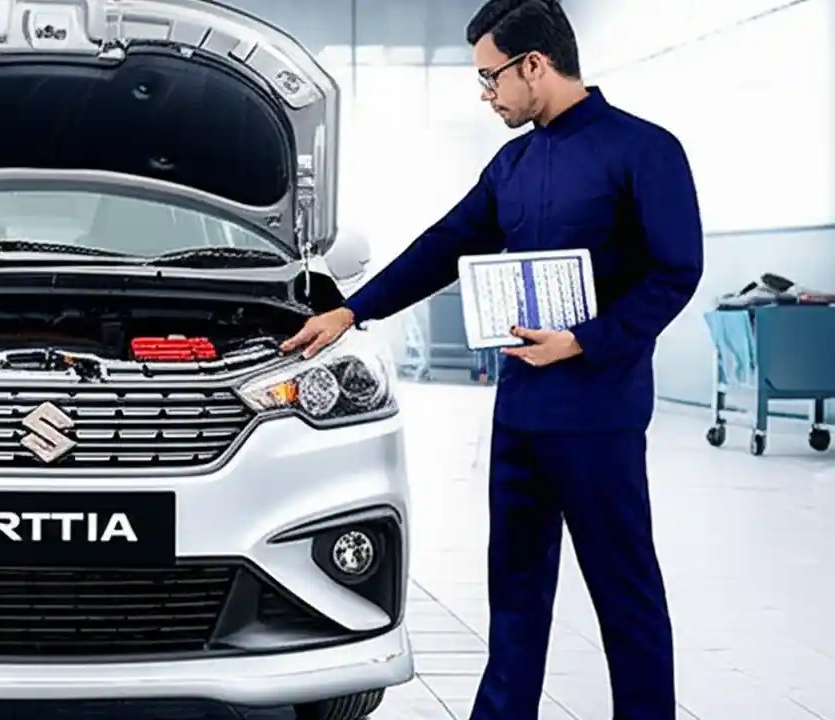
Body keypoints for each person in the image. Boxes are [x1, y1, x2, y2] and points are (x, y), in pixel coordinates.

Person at [281, 0, 703, 718]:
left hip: (599, 412)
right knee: (514, 594)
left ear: (533, 64)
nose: (486, 95)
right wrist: (352, 309)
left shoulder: (643, 150)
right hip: (520, 414)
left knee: (623, 592)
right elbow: (445, 245)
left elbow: (677, 271)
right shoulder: (512, 164)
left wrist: (584, 340)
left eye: (490, 77)